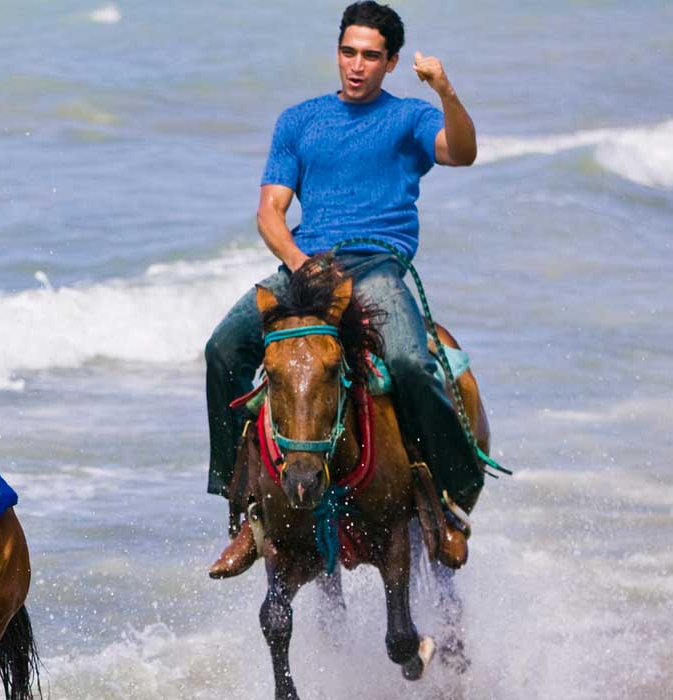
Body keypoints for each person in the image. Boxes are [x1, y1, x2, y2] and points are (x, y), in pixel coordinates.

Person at [203, 1, 481, 579]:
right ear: (338, 53)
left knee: (407, 361)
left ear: (392, 62)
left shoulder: (409, 117)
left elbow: (463, 152)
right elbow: (269, 212)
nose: (357, 66)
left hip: (377, 263)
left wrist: (446, 92)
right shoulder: (299, 120)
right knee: (223, 348)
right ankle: (245, 512)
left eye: (371, 56)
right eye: (348, 52)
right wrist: (301, 264)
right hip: (309, 262)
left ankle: (446, 500)